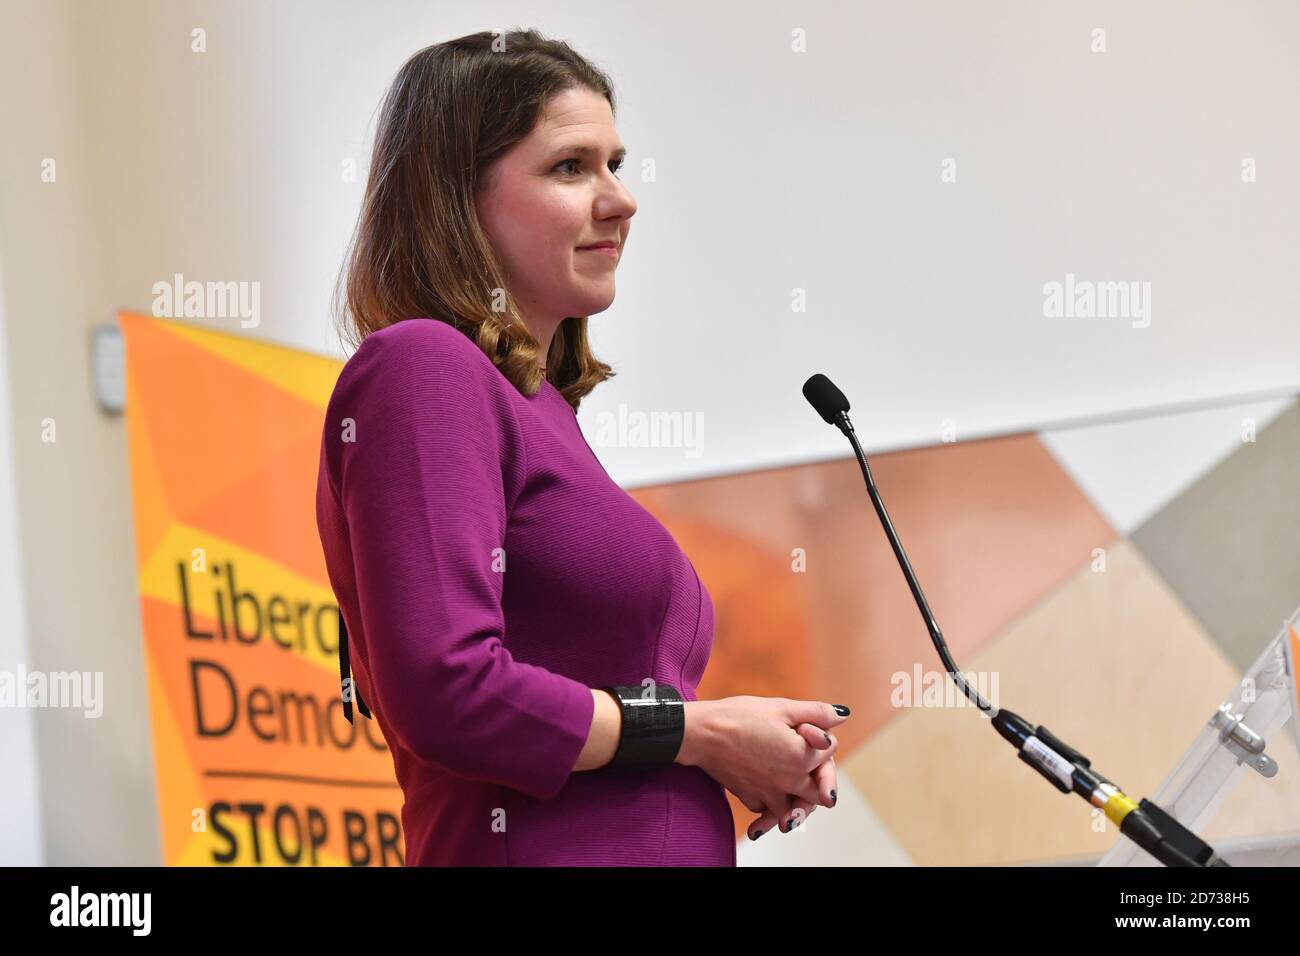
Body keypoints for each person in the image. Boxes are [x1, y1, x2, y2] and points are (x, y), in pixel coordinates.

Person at [315, 28, 850, 866]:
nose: (621, 199)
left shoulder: (541, 413)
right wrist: (700, 734)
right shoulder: (422, 367)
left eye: (616, 163)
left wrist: (739, 747)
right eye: (571, 167)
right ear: (459, 198)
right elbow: (448, 691)